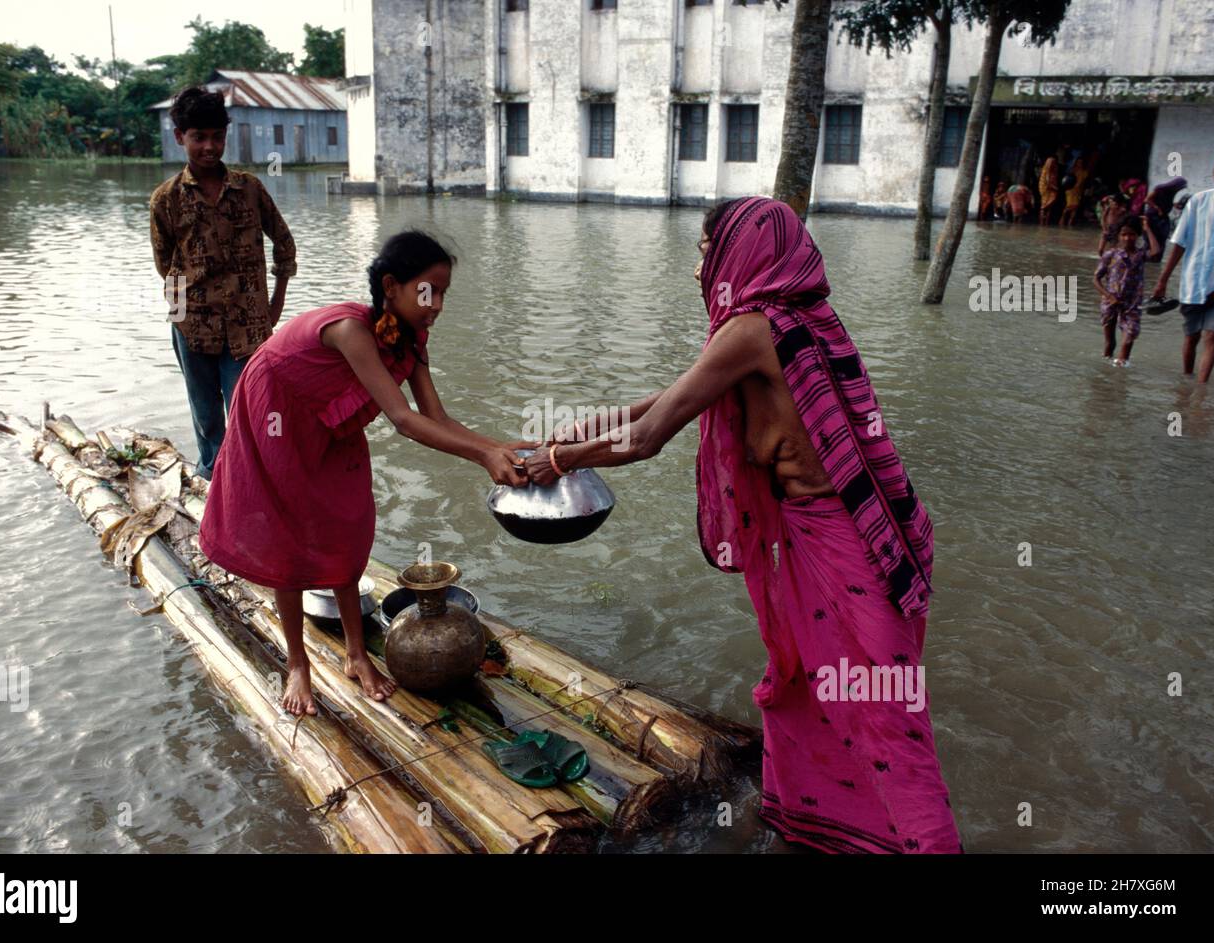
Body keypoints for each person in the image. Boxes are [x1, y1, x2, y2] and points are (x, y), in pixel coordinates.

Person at [524, 197, 961, 854]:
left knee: (887, 713)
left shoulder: (753, 328)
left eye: (708, 250)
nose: (700, 266)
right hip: (855, 532)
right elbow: (672, 397)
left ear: (743, 253)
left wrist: (557, 461)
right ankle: (807, 824)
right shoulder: (802, 318)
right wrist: (578, 431)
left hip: (841, 543)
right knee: (799, 684)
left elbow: (649, 434)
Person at [198, 231, 534, 715]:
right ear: (392, 287)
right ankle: (297, 664)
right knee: (287, 534)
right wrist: (483, 458)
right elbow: (403, 419)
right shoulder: (351, 330)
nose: (438, 305)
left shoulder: (410, 339)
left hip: (330, 419)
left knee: (349, 521)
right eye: (428, 291)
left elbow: (435, 416)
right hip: (278, 411)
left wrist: (496, 446)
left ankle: (356, 655)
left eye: (443, 293)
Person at [150, 87, 297, 480]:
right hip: (192, 325)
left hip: (249, 327)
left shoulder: (249, 189)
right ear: (179, 136)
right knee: (205, 417)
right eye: (199, 137)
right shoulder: (166, 200)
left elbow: (284, 244)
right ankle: (211, 482)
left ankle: (253, 484)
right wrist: (180, 320)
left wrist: (276, 304)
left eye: (218, 137)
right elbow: (166, 266)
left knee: (249, 411)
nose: (209, 147)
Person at [1151, 148, 1214, 383]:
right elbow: (1180, 244)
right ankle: (1186, 383)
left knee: (1212, 336)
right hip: (1193, 284)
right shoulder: (1198, 202)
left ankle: (1199, 393)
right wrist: (1162, 280)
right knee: (1191, 337)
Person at [1094, 215, 1159, 367]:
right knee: (1110, 342)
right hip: (1110, 303)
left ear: (1138, 235)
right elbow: (1096, 279)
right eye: (1124, 234)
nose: (1128, 238)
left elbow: (1156, 252)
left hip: (1132, 304)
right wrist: (1108, 296)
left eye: (1132, 234)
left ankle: (1120, 369)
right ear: (1118, 235)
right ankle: (1106, 371)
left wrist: (1147, 228)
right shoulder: (1111, 255)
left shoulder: (1140, 255)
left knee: (1129, 338)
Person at [1060, 159, 1089, 226]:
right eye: (1078, 162)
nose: (1079, 164)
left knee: (1076, 206)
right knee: (1069, 205)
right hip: (1070, 190)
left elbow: (1084, 182)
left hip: (1078, 191)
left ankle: (1070, 222)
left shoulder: (1084, 172)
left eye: (1081, 162)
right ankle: (1062, 218)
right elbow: (1066, 180)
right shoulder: (1072, 171)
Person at [1038, 155, 1060, 225]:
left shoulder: (1054, 171)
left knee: (1049, 207)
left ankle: (1046, 222)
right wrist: (1055, 188)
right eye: (1050, 162)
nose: (1051, 164)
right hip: (1046, 189)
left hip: (1052, 190)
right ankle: (1042, 222)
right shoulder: (1046, 171)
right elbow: (1048, 182)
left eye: (1053, 162)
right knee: (1044, 207)